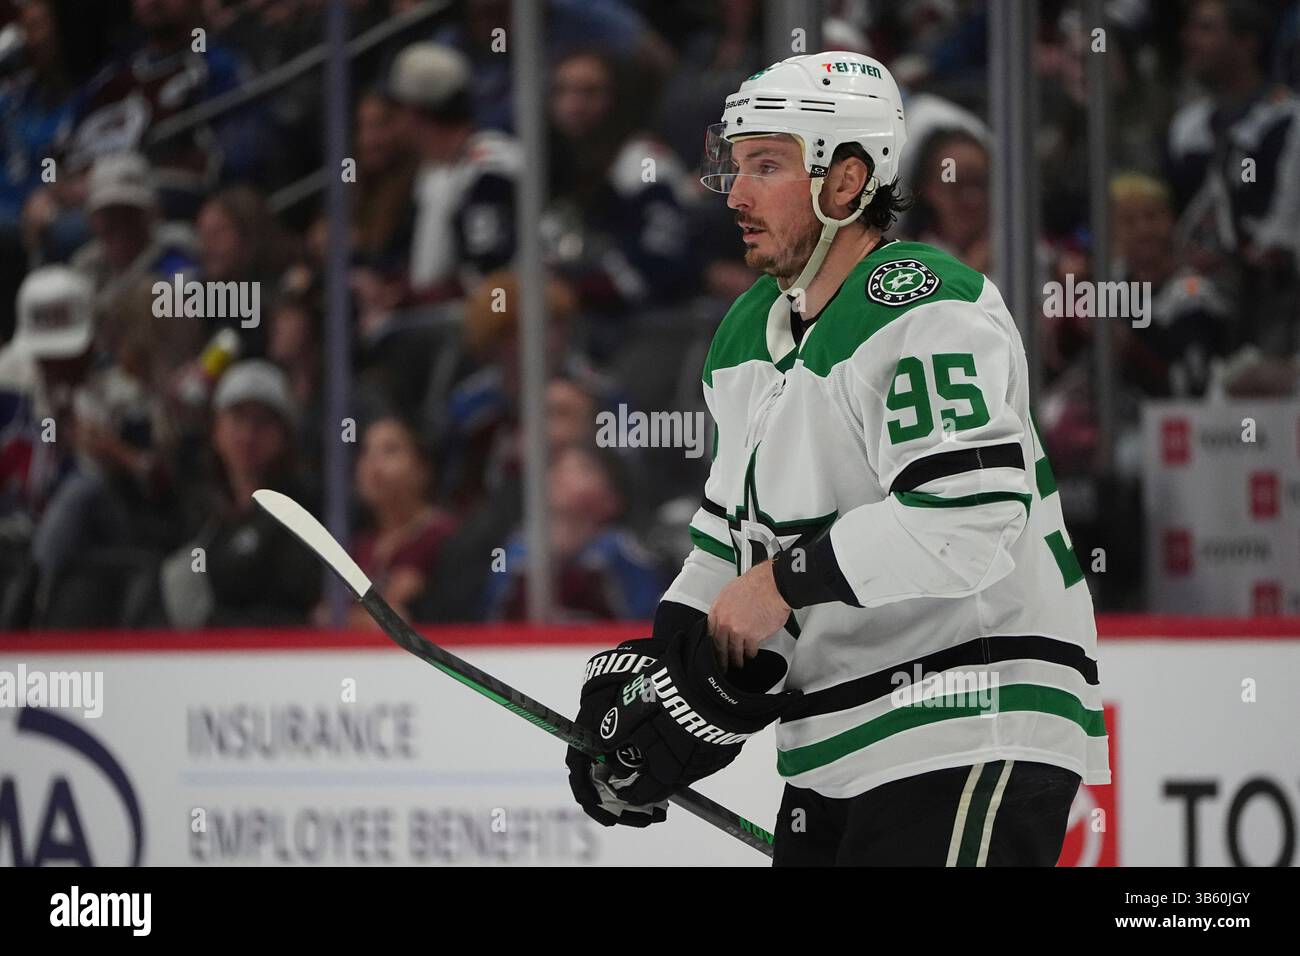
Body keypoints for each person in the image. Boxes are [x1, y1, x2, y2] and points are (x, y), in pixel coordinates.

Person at [564, 51, 1110, 865]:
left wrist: (781, 584)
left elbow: (969, 516)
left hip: (967, 722)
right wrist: (665, 694)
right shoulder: (746, 335)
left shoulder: (926, 303)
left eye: (768, 166)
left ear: (847, 180)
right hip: (833, 758)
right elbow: (726, 552)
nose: (737, 194)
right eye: (734, 167)